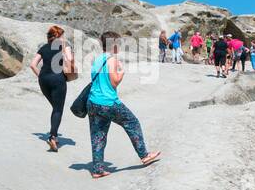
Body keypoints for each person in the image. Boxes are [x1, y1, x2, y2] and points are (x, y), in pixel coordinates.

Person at [86, 31, 161, 179]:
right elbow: (114, 82)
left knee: (98, 135)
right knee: (132, 123)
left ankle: (97, 169)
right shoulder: (112, 60)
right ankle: (144, 155)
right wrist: (122, 72)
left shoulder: (97, 59)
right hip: (108, 102)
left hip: (92, 102)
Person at [28, 24, 76, 152]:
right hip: (57, 80)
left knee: (55, 108)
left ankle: (54, 135)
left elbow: (32, 65)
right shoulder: (63, 46)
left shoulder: (43, 48)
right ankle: (52, 137)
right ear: (59, 36)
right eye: (63, 35)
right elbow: (70, 59)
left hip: (43, 80)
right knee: (58, 109)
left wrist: (41, 76)